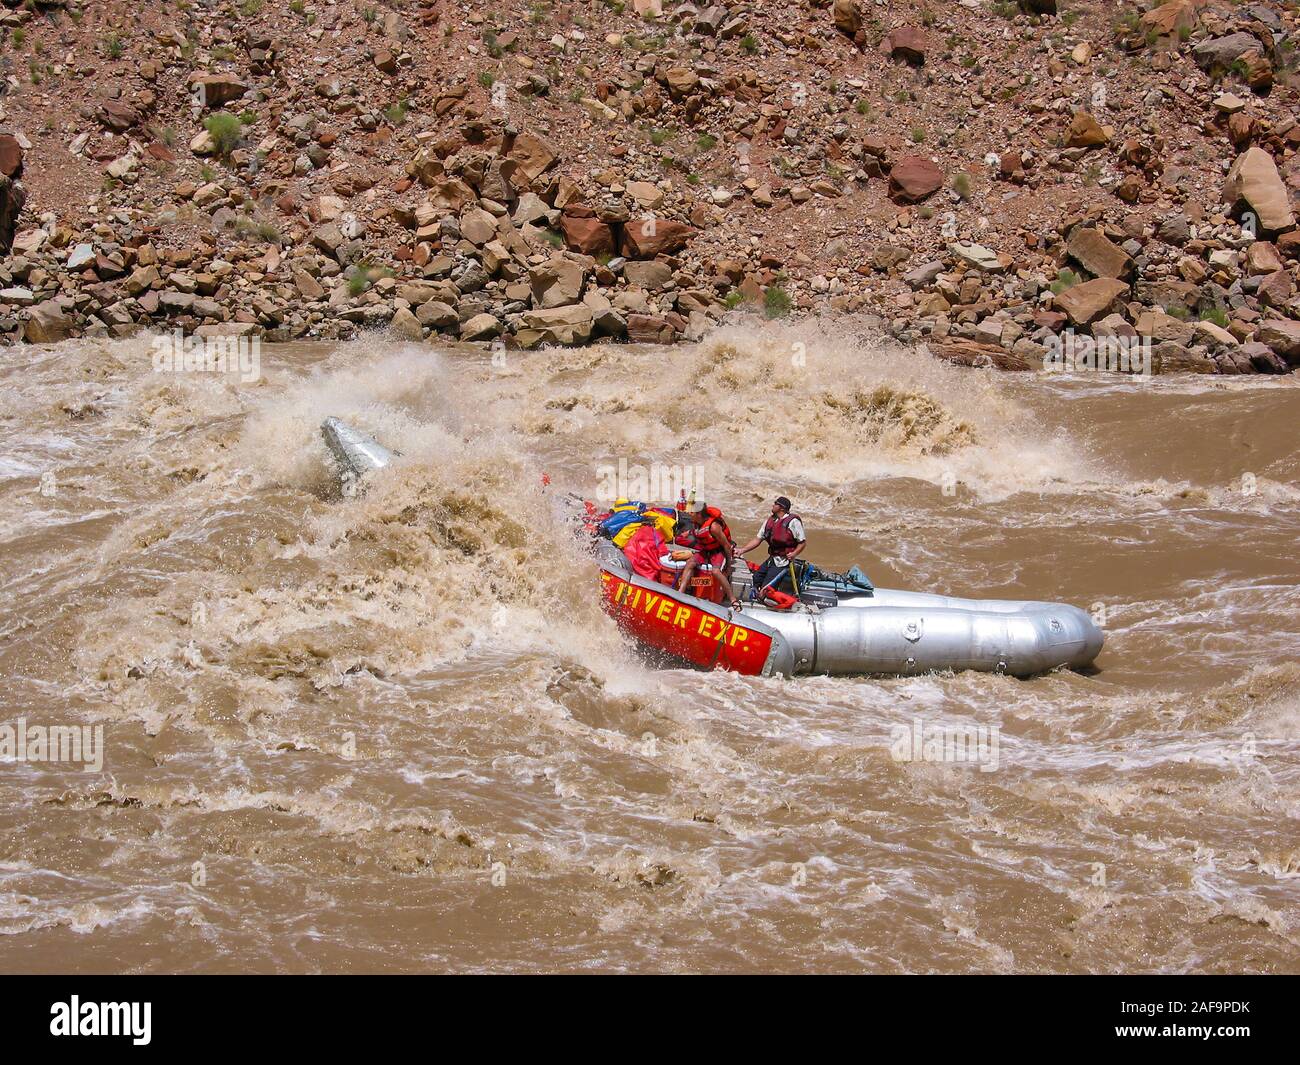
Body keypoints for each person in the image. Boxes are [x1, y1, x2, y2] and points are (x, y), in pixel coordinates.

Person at [737, 496, 806, 604]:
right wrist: (742, 550)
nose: (772, 505)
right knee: (755, 580)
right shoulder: (770, 521)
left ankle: (765, 601)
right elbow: (758, 539)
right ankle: (753, 597)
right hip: (772, 559)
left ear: (782, 508)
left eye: (775, 504)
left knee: (765, 590)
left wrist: (794, 554)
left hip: (783, 563)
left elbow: (802, 542)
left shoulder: (793, 522)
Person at [674, 500, 740, 608]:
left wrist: (728, 566)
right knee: (690, 563)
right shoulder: (696, 523)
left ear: (699, 514)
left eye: (692, 513)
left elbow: (727, 546)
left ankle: (733, 599)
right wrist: (685, 534)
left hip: (719, 551)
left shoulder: (714, 527)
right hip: (706, 550)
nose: (689, 514)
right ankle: (680, 593)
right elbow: (696, 532)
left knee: (716, 571)